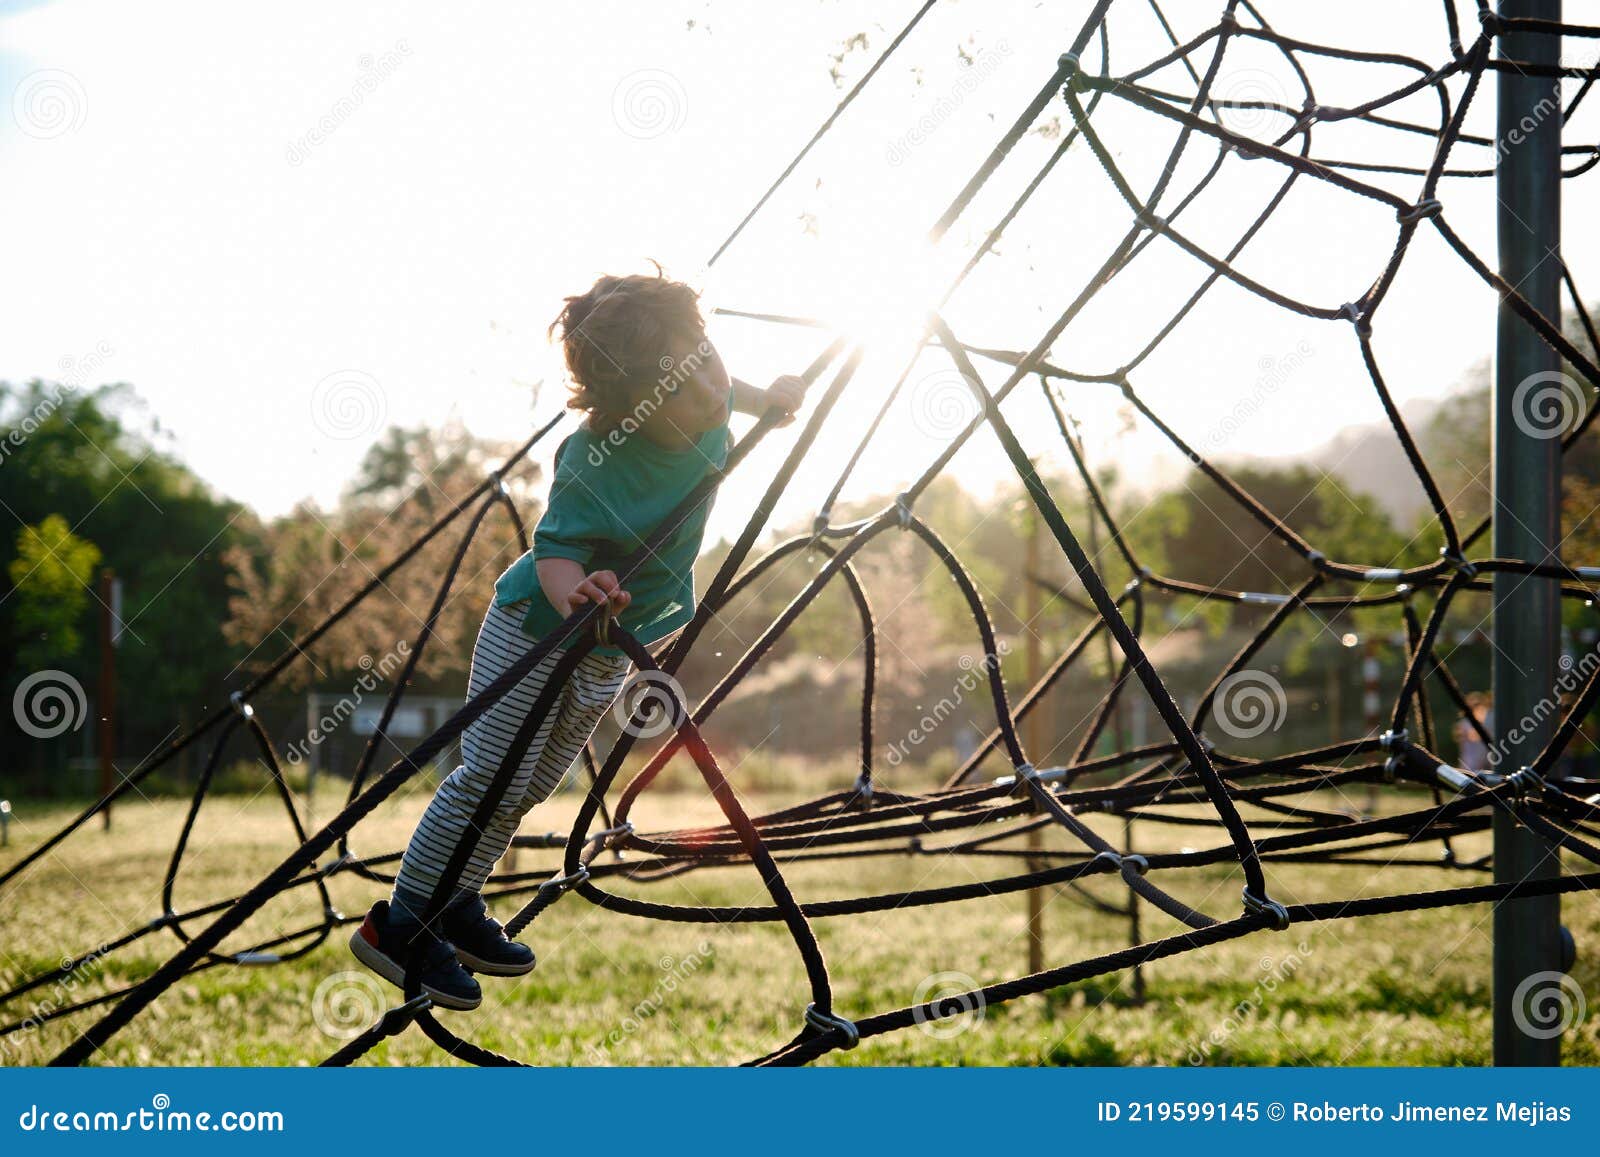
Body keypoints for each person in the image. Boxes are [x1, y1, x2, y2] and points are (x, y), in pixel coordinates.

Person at [349, 270, 807, 1010]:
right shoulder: (597, 458)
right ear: (633, 407)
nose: (711, 392)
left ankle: (457, 900)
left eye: (709, 360)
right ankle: (399, 923)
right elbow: (555, 547)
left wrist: (769, 400)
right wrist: (577, 594)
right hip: (536, 630)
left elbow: (723, 387)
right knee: (490, 776)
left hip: (604, 649)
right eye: (682, 387)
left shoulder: (710, 402)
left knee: (529, 786)